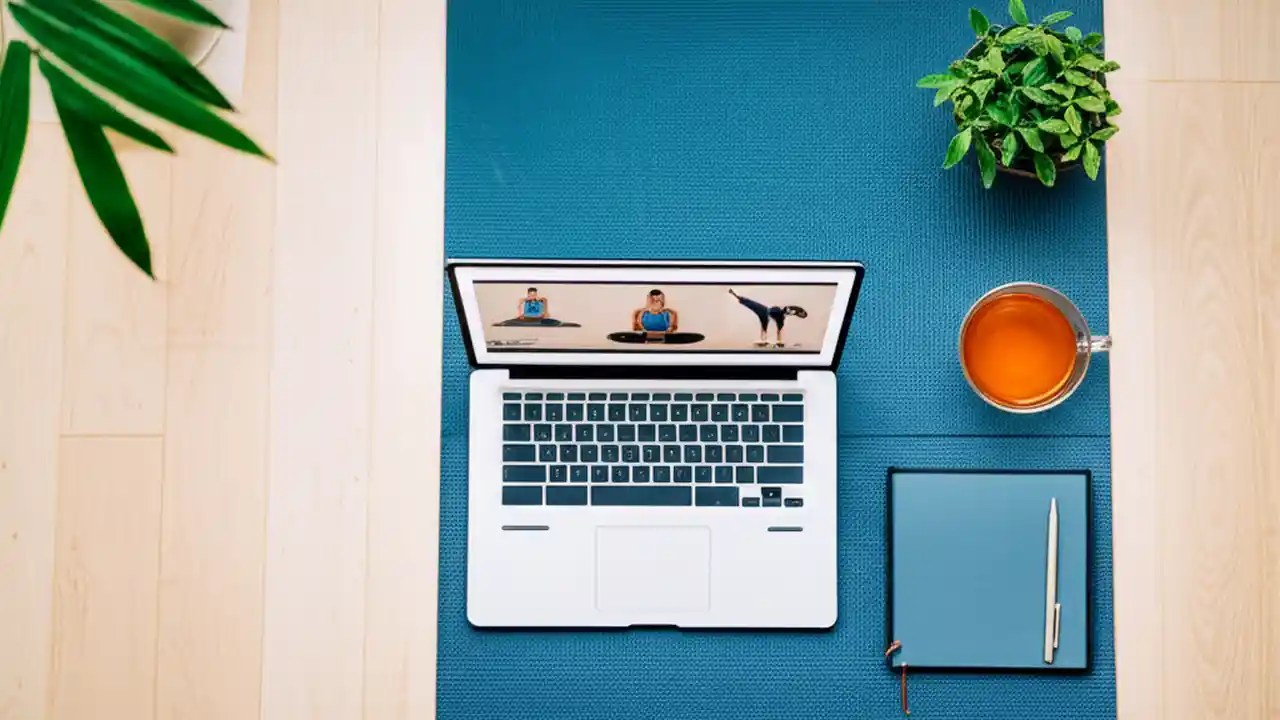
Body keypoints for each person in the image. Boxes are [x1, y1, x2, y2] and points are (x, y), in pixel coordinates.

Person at [729, 288, 807, 347]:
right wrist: (734, 294)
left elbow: (750, 303)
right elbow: (750, 303)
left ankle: (774, 341)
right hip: (768, 312)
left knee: (771, 325)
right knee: (767, 324)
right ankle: (770, 340)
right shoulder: (775, 314)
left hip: (769, 312)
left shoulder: (779, 315)